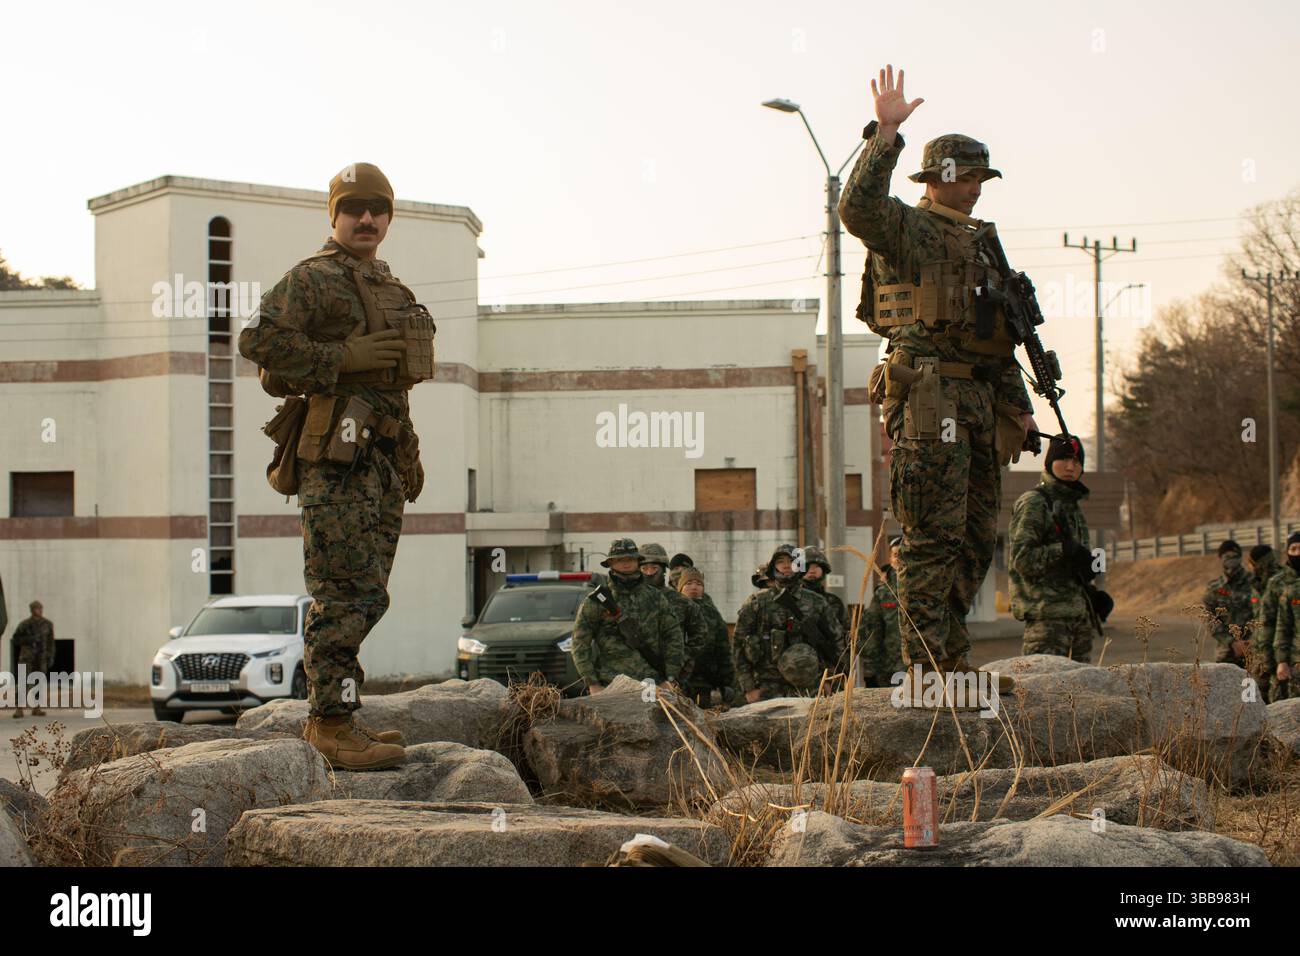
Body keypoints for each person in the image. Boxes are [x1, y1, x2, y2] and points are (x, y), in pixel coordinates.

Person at [838, 64, 1038, 682]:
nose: (975, 188)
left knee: (978, 538)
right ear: (936, 179)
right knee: (930, 537)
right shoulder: (907, 228)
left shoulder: (982, 244)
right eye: (966, 177)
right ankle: (924, 668)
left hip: (979, 400)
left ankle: (949, 657)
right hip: (928, 397)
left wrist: (1020, 406)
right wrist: (886, 135)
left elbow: (999, 339)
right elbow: (857, 207)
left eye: (981, 178)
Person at [239, 162, 434, 771]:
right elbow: (259, 341)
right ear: (335, 215)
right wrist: (342, 355)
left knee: (369, 596)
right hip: (337, 462)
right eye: (354, 208)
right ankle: (328, 723)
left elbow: (394, 387)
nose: (368, 218)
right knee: (343, 594)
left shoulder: (391, 289)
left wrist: (409, 452)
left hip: (382, 460)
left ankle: (344, 715)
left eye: (378, 208)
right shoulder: (313, 280)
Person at [1008, 435, 1100, 662]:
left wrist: (1090, 595)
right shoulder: (1035, 503)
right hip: (1046, 621)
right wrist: (1063, 550)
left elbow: (1074, 563)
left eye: (1077, 461)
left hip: (1078, 619)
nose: (1071, 466)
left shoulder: (1072, 505)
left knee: (1082, 694)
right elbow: (1022, 559)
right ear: (1049, 462)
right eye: (1064, 459)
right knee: (1042, 692)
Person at [732, 545, 844, 702]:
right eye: (780, 561)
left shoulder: (817, 602)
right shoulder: (756, 603)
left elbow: (837, 642)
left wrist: (830, 681)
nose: (786, 565)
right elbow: (738, 646)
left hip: (810, 688)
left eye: (792, 561)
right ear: (773, 567)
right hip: (766, 689)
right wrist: (749, 688)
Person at [571, 539, 685, 693]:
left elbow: (674, 636)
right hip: (611, 684)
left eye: (630, 559)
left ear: (638, 561)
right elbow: (580, 644)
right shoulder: (597, 600)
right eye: (620, 560)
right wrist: (592, 683)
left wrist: (670, 677)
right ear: (610, 563)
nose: (626, 563)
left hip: (652, 683)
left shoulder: (655, 597)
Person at [638, 543, 709, 686]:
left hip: (671, 677)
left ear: (663, 569)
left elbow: (700, 635)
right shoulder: (628, 599)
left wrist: (681, 659)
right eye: (644, 568)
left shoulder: (681, 601)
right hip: (634, 675)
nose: (649, 573)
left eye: (654, 568)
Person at [676, 568, 737, 706]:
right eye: (689, 583)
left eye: (698, 583)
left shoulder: (712, 613)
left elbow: (723, 650)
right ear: (680, 587)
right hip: (676, 680)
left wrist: (726, 682)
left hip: (703, 682)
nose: (694, 587)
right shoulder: (670, 609)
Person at [1201, 539, 1254, 668]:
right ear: (1220, 558)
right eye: (1227, 556)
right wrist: (1232, 643)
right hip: (1226, 652)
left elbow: (1266, 614)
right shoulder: (1214, 588)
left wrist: (1252, 642)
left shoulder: (1255, 582)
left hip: (1254, 648)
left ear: (1241, 557)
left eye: (1235, 556)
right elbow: (1211, 620)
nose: (1231, 559)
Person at [862, 537, 905, 687]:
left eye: (905, 554)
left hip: (924, 669)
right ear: (890, 559)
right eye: (896, 555)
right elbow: (873, 634)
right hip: (890, 670)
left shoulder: (926, 590)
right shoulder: (883, 593)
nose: (900, 559)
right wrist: (870, 672)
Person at [1246, 544, 1286, 701]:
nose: (1249, 567)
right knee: (1250, 701)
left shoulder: (1284, 582)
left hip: (1278, 652)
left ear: (1259, 563)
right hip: (1259, 654)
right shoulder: (1256, 584)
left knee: (1278, 702)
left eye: (1251, 563)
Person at [11, 601, 55, 718]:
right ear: (32, 610)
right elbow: (16, 640)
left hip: (41, 658)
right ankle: (19, 709)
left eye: (41, 608)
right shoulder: (25, 624)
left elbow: (51, 642)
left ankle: (37, 707)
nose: (40, 610)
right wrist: (29, 639)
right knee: (22, 682)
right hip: (27, 658)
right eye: (37, 608)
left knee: (39, 683)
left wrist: (50, 656)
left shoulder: (47, 624)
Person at [1272, 533, 1300, 696]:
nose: (1297, 554)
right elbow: (1282, 626)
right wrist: (1281, 660)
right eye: (1293, 549)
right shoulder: (1293, 591)